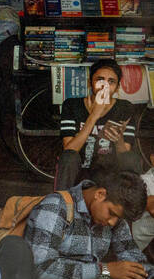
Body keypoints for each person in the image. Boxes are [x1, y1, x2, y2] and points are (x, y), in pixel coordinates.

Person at [14, 169, 151, 279]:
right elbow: (41, 269)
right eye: (111, 214)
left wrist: (151, 278)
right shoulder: (55, 207)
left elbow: (133, 258)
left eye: (118, 218)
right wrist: (104, 270)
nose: (113, 222)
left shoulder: (113, 220)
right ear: (100, 194)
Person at [57, 59, 142, 190]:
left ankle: (128, 204)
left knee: (132, 159)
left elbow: (125, 154)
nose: (105, 86)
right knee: (68, 157)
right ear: (90, 83)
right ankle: (62, 203)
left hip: (108, 170)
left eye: (111, 82)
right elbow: (69, 150)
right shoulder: (72, 105)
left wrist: (118, 139)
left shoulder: (125, 108)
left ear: (117, 87)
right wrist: (93, 116)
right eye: (99, 80)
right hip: (80, 169)